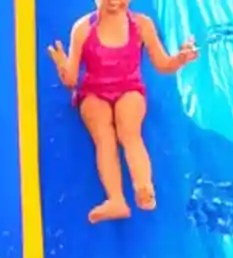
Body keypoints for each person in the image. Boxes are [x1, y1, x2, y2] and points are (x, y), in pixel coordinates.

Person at [46, 0, 200, 224]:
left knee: (129, 132)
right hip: (93, 91)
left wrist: (180, 59)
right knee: (103, 135)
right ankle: (116, 200)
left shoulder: (141, 25)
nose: (114, 2)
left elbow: (162, 64)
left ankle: (144, 186)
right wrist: (63, 66)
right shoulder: (83, 29)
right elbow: (71, 80)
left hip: (129, 88)